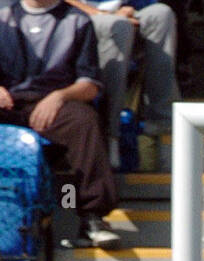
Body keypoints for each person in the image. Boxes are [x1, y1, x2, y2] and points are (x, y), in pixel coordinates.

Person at [0, 0, 120, 251]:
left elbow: (90, 84)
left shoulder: (77, 20)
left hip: (57, 106)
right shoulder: (0, 21)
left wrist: (60, 96)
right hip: (9, 105)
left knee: (84, 122)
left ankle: (88, 215)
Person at [64, 0, 179, 160]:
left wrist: (130, 9)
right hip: (73, 12)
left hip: (119, 12)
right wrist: (97, 13)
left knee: (161, 14)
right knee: (119, 26)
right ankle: (111, 135)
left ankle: (161, 120)